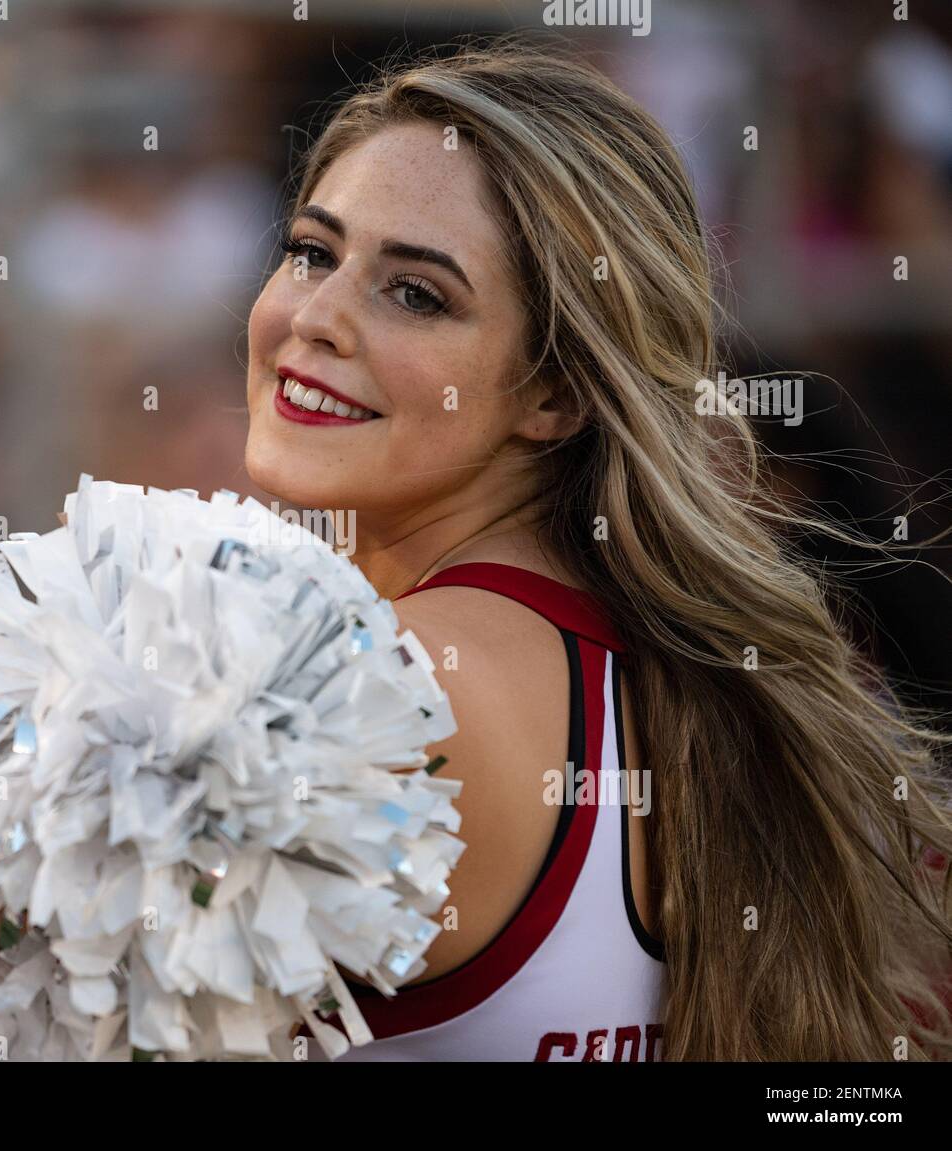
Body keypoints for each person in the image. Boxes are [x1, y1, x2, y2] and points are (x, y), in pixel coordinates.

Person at [243, 34, 952, 1061]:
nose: (313, 316)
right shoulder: (660, 673)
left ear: (556, 393)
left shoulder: (390, 691)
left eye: (417, 293)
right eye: (313, 250)